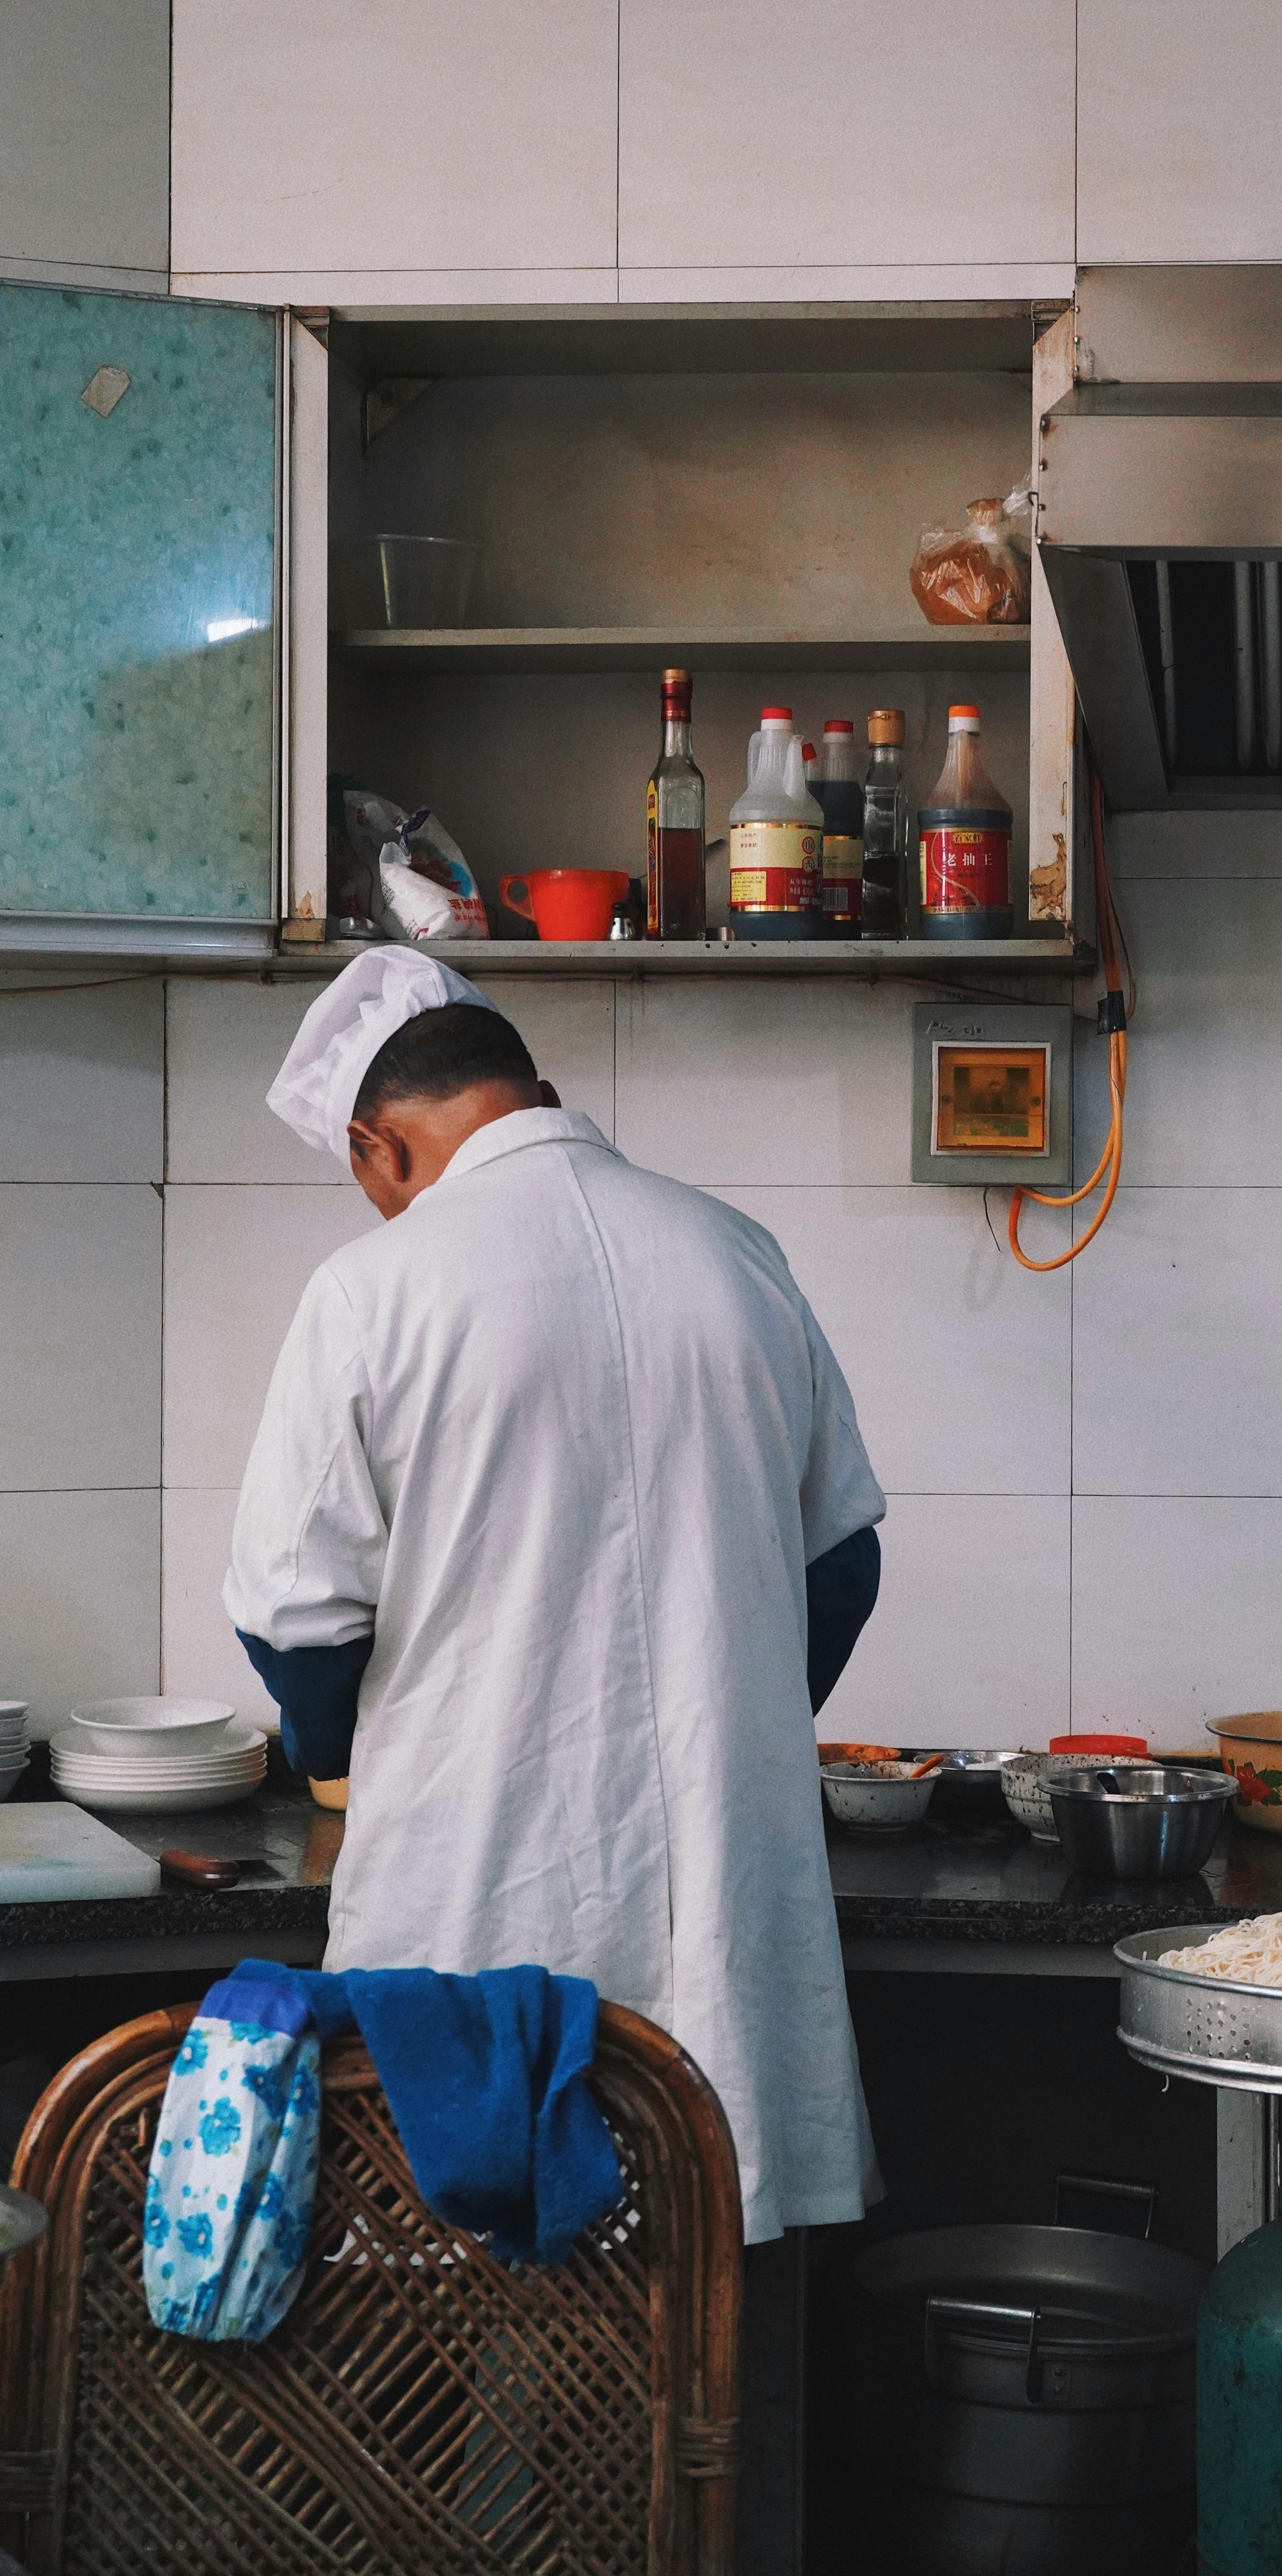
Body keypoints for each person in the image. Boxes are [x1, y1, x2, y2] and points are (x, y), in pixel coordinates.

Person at [225, 946, 885, 2246]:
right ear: (537, 1090)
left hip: (471, 1874)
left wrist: (342, 1758)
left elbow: (295, 1620)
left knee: (459, 2267)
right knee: (696, 2250)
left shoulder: (372, 1290)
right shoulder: (737, 1253)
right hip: (724, 1871)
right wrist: (721, 1719)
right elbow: (842, 1563)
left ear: (376, 1146)